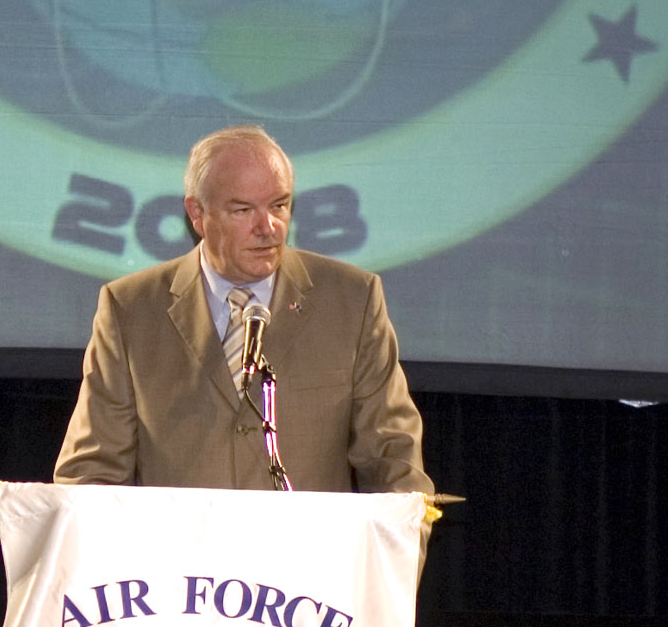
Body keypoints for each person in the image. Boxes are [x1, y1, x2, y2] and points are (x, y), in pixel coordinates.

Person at [53, 125, 431, 492]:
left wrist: (393, 552)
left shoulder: (352, 300)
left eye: (279, 205)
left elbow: (395, 464)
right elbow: (92, 476)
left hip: (311, 556)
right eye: (243, 210)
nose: (268, 228)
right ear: (197, 214)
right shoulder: (131, 310)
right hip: (177, 556)